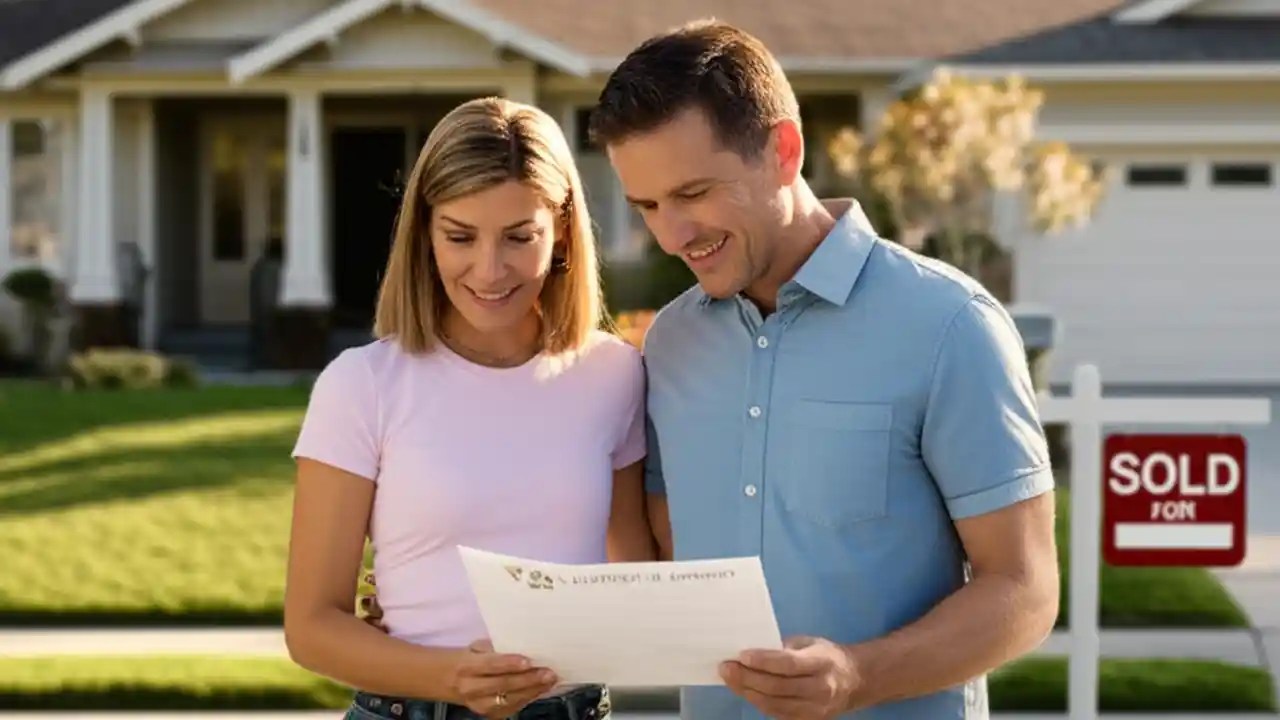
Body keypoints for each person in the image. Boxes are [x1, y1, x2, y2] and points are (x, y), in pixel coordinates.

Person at [587, 20, 1060, 720]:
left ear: (783, 150)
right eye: (647, 206)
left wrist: (856, 675)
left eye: (693, 194)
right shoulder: (673, 342)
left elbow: (1025, 590)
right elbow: (660, 564)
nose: (671, 235)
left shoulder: (949, 325)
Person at [286, 96, 654, 720]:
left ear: (562, 229)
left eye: (519, 237)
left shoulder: (613, 375)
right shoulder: (362, 385)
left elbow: (633, 578)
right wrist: (454, 677)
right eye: (460, 236)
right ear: (425, 233)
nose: (490, 270)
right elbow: (312, 627)